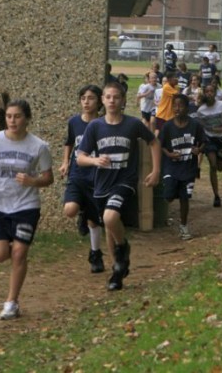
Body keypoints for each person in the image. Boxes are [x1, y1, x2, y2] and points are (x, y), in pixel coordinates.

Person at [0, 93, 54, 320]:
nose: (13, 121)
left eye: (17, 116)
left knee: (18, 253)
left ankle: (11, 302)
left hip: (26, 206)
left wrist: (32, 181)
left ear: (27, 119)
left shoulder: (39, 146)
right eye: (9, 116)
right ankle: (16, 248)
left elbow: (48, 178)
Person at [76, 81, 161, 291]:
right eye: (108, 97)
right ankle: (117, 269)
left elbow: (153, 142)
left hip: (125, 182)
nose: (112, 100)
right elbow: (80, 157)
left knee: (110, 217)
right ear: (102, 100)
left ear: (123, 100)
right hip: (102, 184)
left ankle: (123, 247)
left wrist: (156, 170)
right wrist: (95, 161)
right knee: (109, 227)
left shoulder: (132, 124)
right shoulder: (95, 126)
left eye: (116, 97)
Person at [59, 84, 105, 274]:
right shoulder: (74, 122)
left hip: (96, 175)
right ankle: (82, 211)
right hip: (77, 173)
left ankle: (95, 254)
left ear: (99, 102)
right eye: (83, 98)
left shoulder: (103, 123)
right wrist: (65, 162)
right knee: (70, 209)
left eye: (91, 98)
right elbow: (69, 143)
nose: (86, 102)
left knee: (94, 222)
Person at [160, 94, 205, 240]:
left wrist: (198, 150)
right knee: (169, 195)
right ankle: (165, 213)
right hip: (171, 167)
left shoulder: (195, 125)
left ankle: (184, 225)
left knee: (185, 198)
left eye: (180, 105)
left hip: (188, 167)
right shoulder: (167, 126)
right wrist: (169, 154)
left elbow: (203, 142)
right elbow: (160, 145)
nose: (177, 108)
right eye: (174, 105)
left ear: (187, 108)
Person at [194, 83, 222, 207]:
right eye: (207, 91)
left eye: (211, 91)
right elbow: (200, 126)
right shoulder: (201, 110)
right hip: (209, 139)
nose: (209, 94)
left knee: (220, 167)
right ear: (204, 94)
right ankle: (216, 195)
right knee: (213, 165)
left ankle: (220, 161)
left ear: (215, 93)